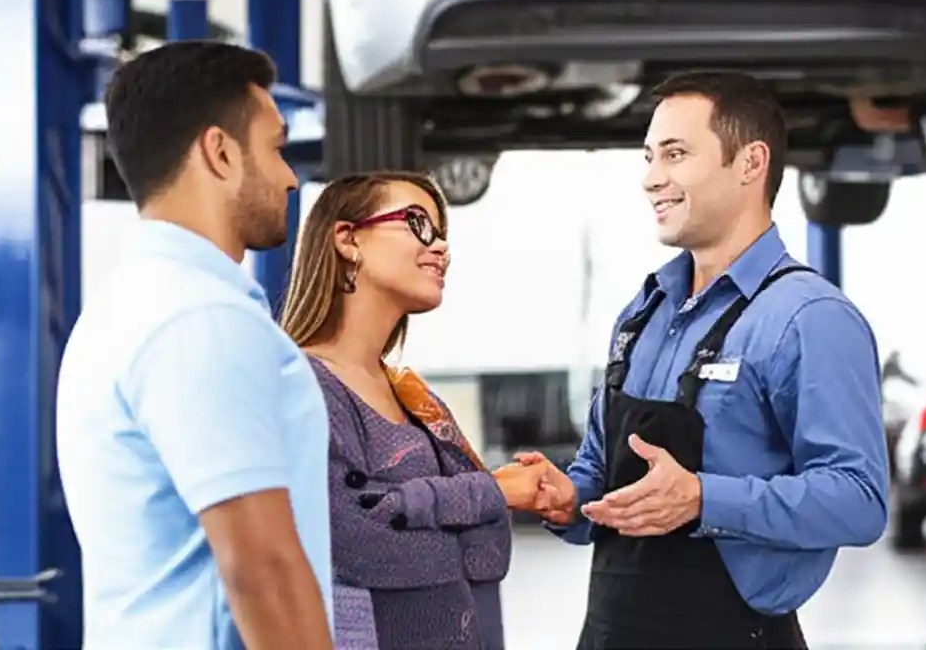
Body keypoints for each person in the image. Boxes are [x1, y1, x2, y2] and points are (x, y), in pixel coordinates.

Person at [511, 70, 890, 649]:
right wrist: (568, 498)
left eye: (676, 154)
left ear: (750, 163)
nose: (651, 179)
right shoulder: (643, 313)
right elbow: (601, 469)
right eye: (649, 158)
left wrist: (704, 499)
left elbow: (859, 500)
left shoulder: (809, 317)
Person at [55, 41, 333, 650]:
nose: (291, 178)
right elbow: (262, 569)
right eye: (277, 149)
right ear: (220, 152)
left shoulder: (126, 306)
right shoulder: (201, 318)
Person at [279, 171, 545, 650]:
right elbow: (355, 539)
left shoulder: (414, 396)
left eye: (442, 234)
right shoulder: (301, 384)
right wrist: (491, 492)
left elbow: (487, 551)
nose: (441, 247)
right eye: (418, 224)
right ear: (348, 239)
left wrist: (420, 508)